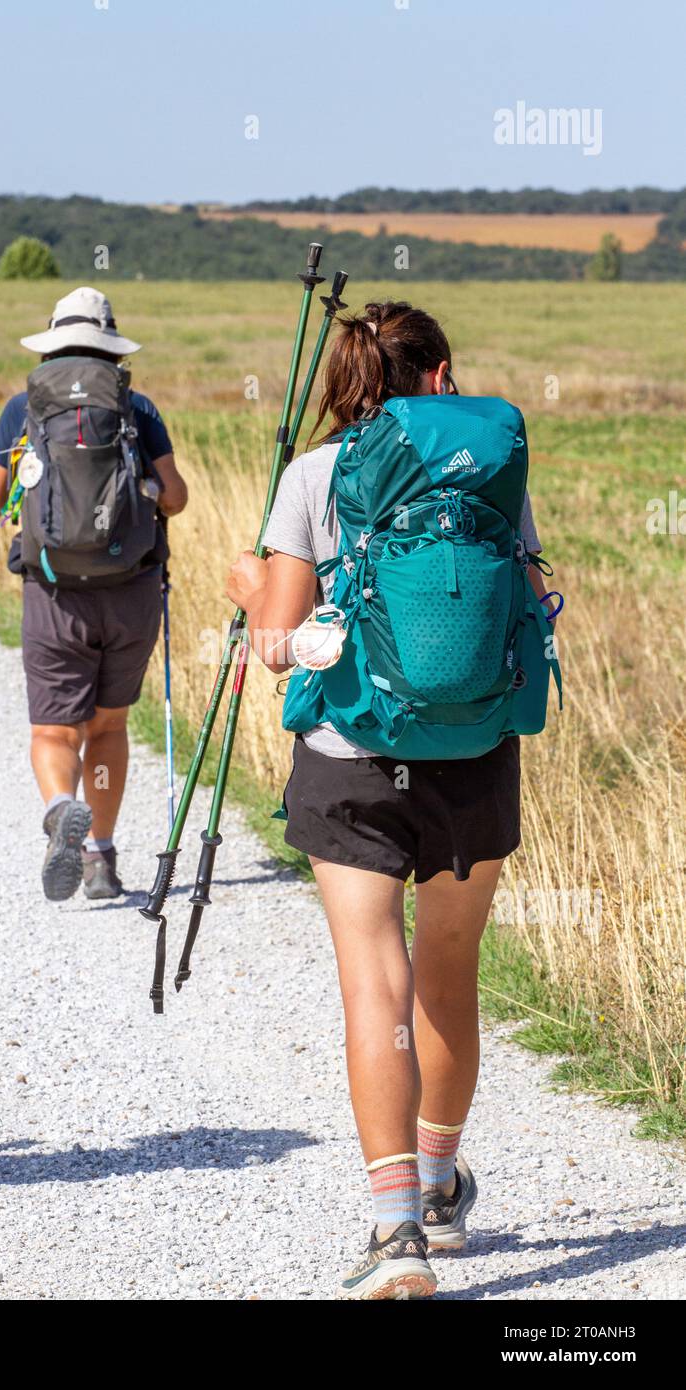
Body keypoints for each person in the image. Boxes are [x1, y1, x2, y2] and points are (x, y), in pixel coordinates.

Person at [226, 300, 555, 1300]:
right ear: (440, 371)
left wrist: (250, 592)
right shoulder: (489, 469)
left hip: (349, 753)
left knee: (376, 984)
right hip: (473, 751)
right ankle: (443, 1184)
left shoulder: (312, 474)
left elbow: (280, 645)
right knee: (446, 977)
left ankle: (397, 1228)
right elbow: (535, 601)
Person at [0, 287, 187, 902]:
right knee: (108, 727)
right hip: (131, 591)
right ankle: (102, 860)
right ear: (110, 345)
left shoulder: (24, 407)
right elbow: (175, 497)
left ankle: (62, 808)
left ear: (52, 342)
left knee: (54, 731)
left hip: (54, 593)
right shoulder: (136, 407)